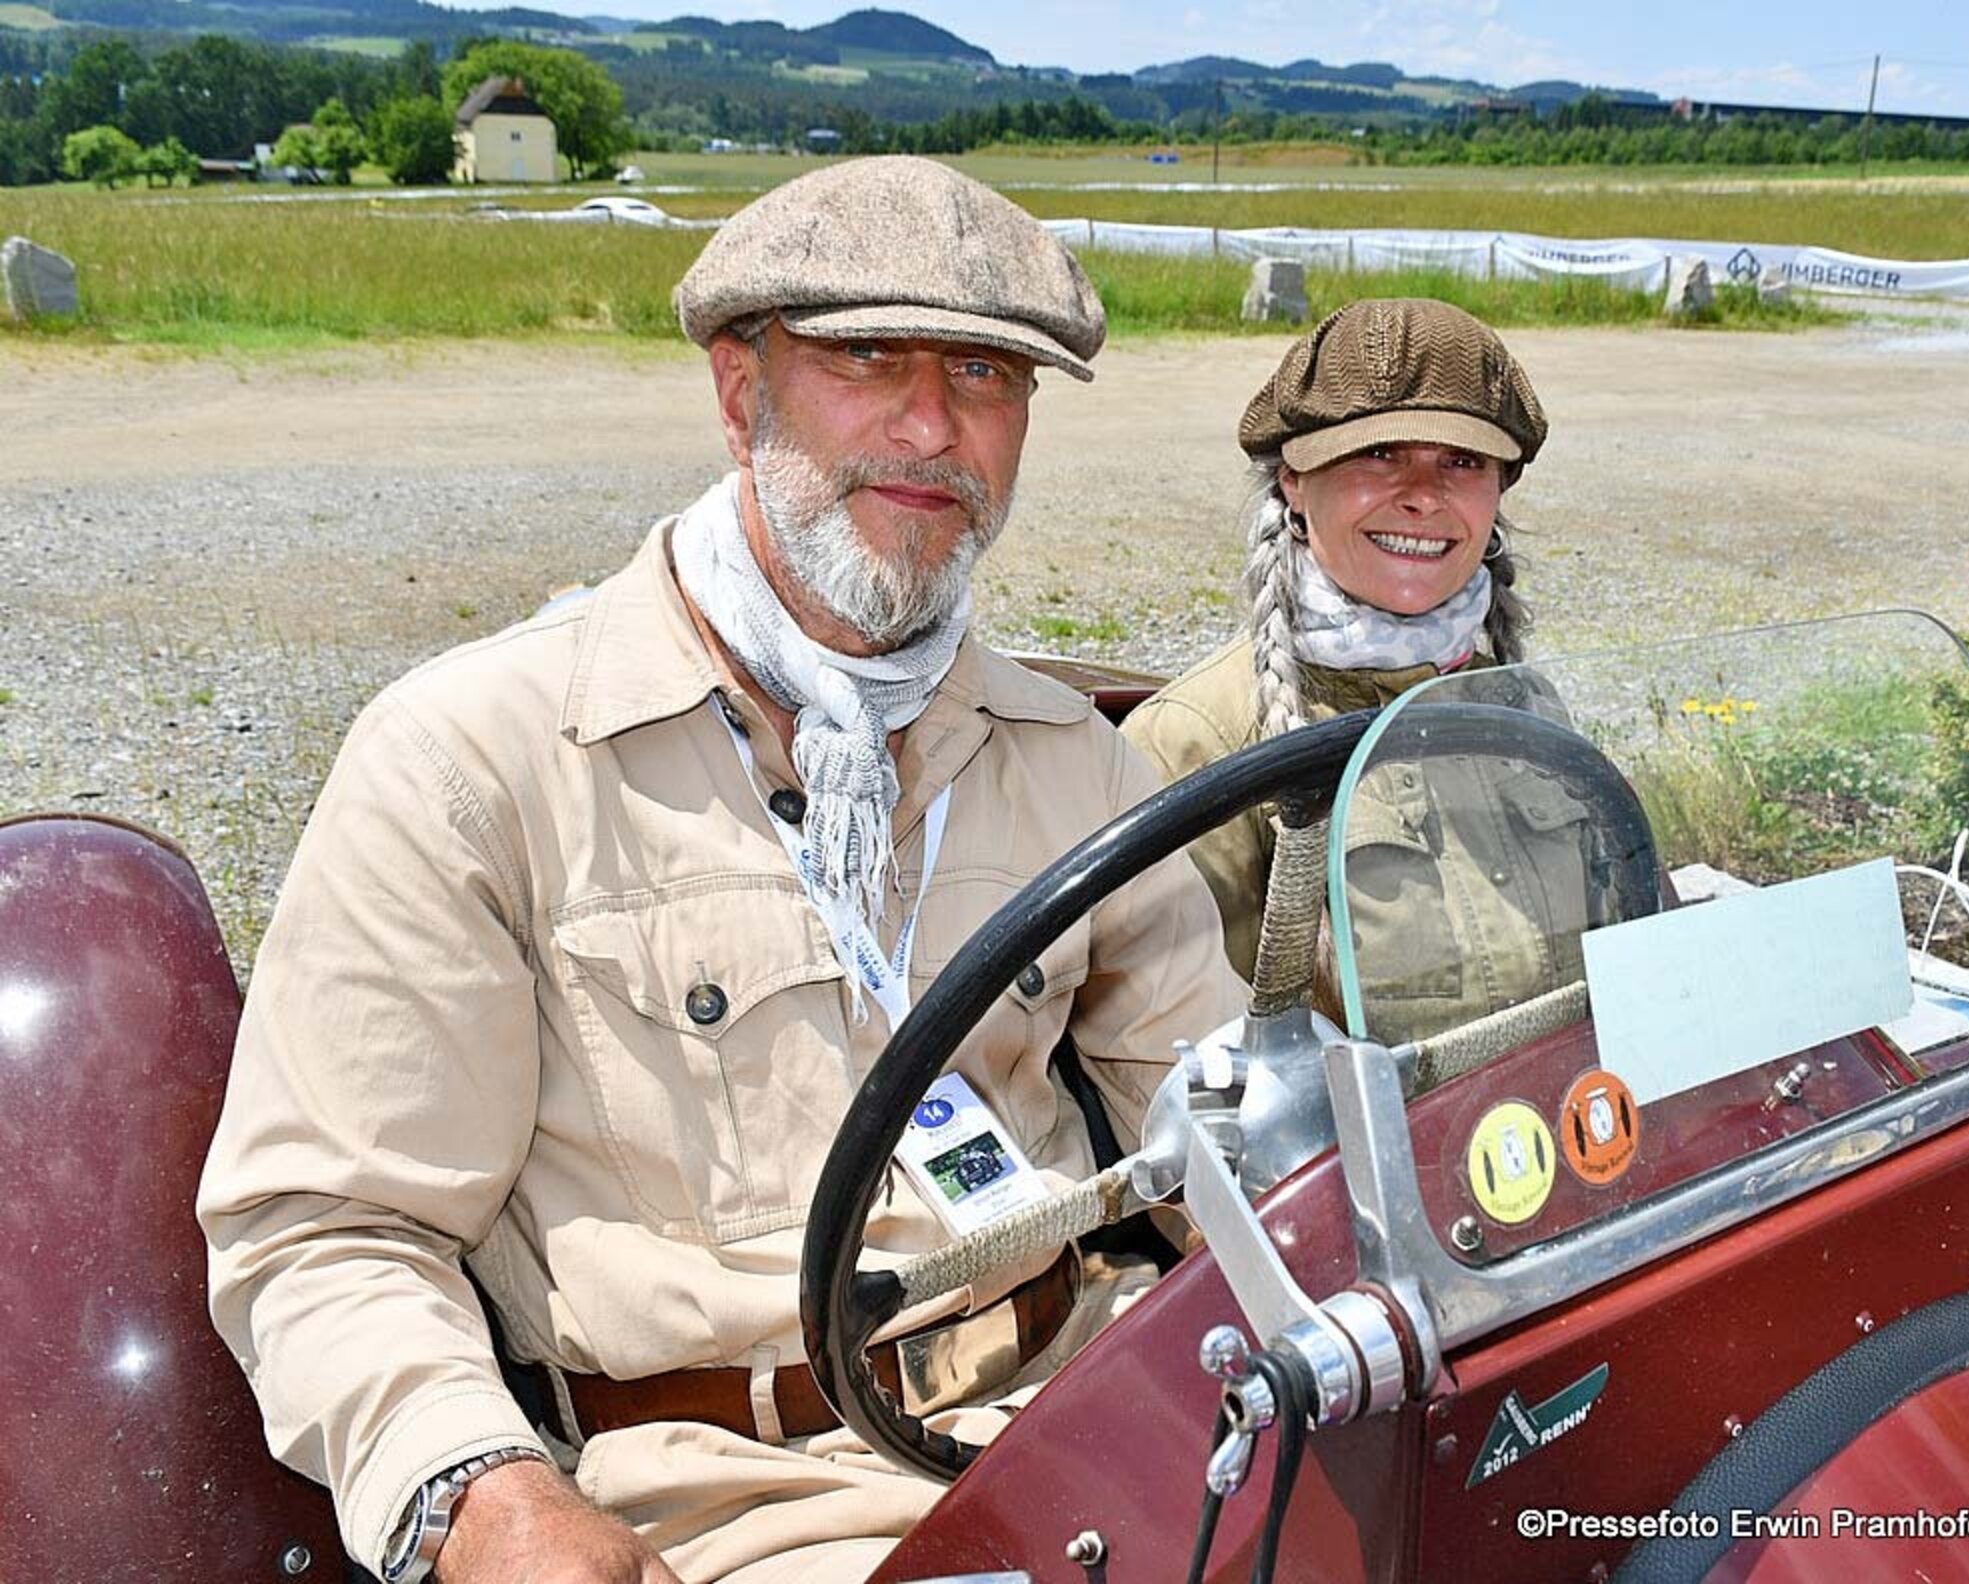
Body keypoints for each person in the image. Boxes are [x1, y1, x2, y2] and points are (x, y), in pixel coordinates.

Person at [197, 156, 1241, 1584]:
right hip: (729, 1508)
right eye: (868, 357)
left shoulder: (1077, 765)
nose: (934, 425)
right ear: (739, 391)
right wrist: (480, 1491)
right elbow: (326, 1233)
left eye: (990, 376)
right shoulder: (474, 763)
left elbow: (1229, 1111)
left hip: (1102, 1414)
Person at [1123, 297, 1602, 1054]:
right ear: (1293, 482)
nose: (1421, 493)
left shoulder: (1526, 707)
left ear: (1499, 492)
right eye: (1378, 455)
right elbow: (1183, 1079)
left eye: (1463, 462)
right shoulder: (1197, 740)